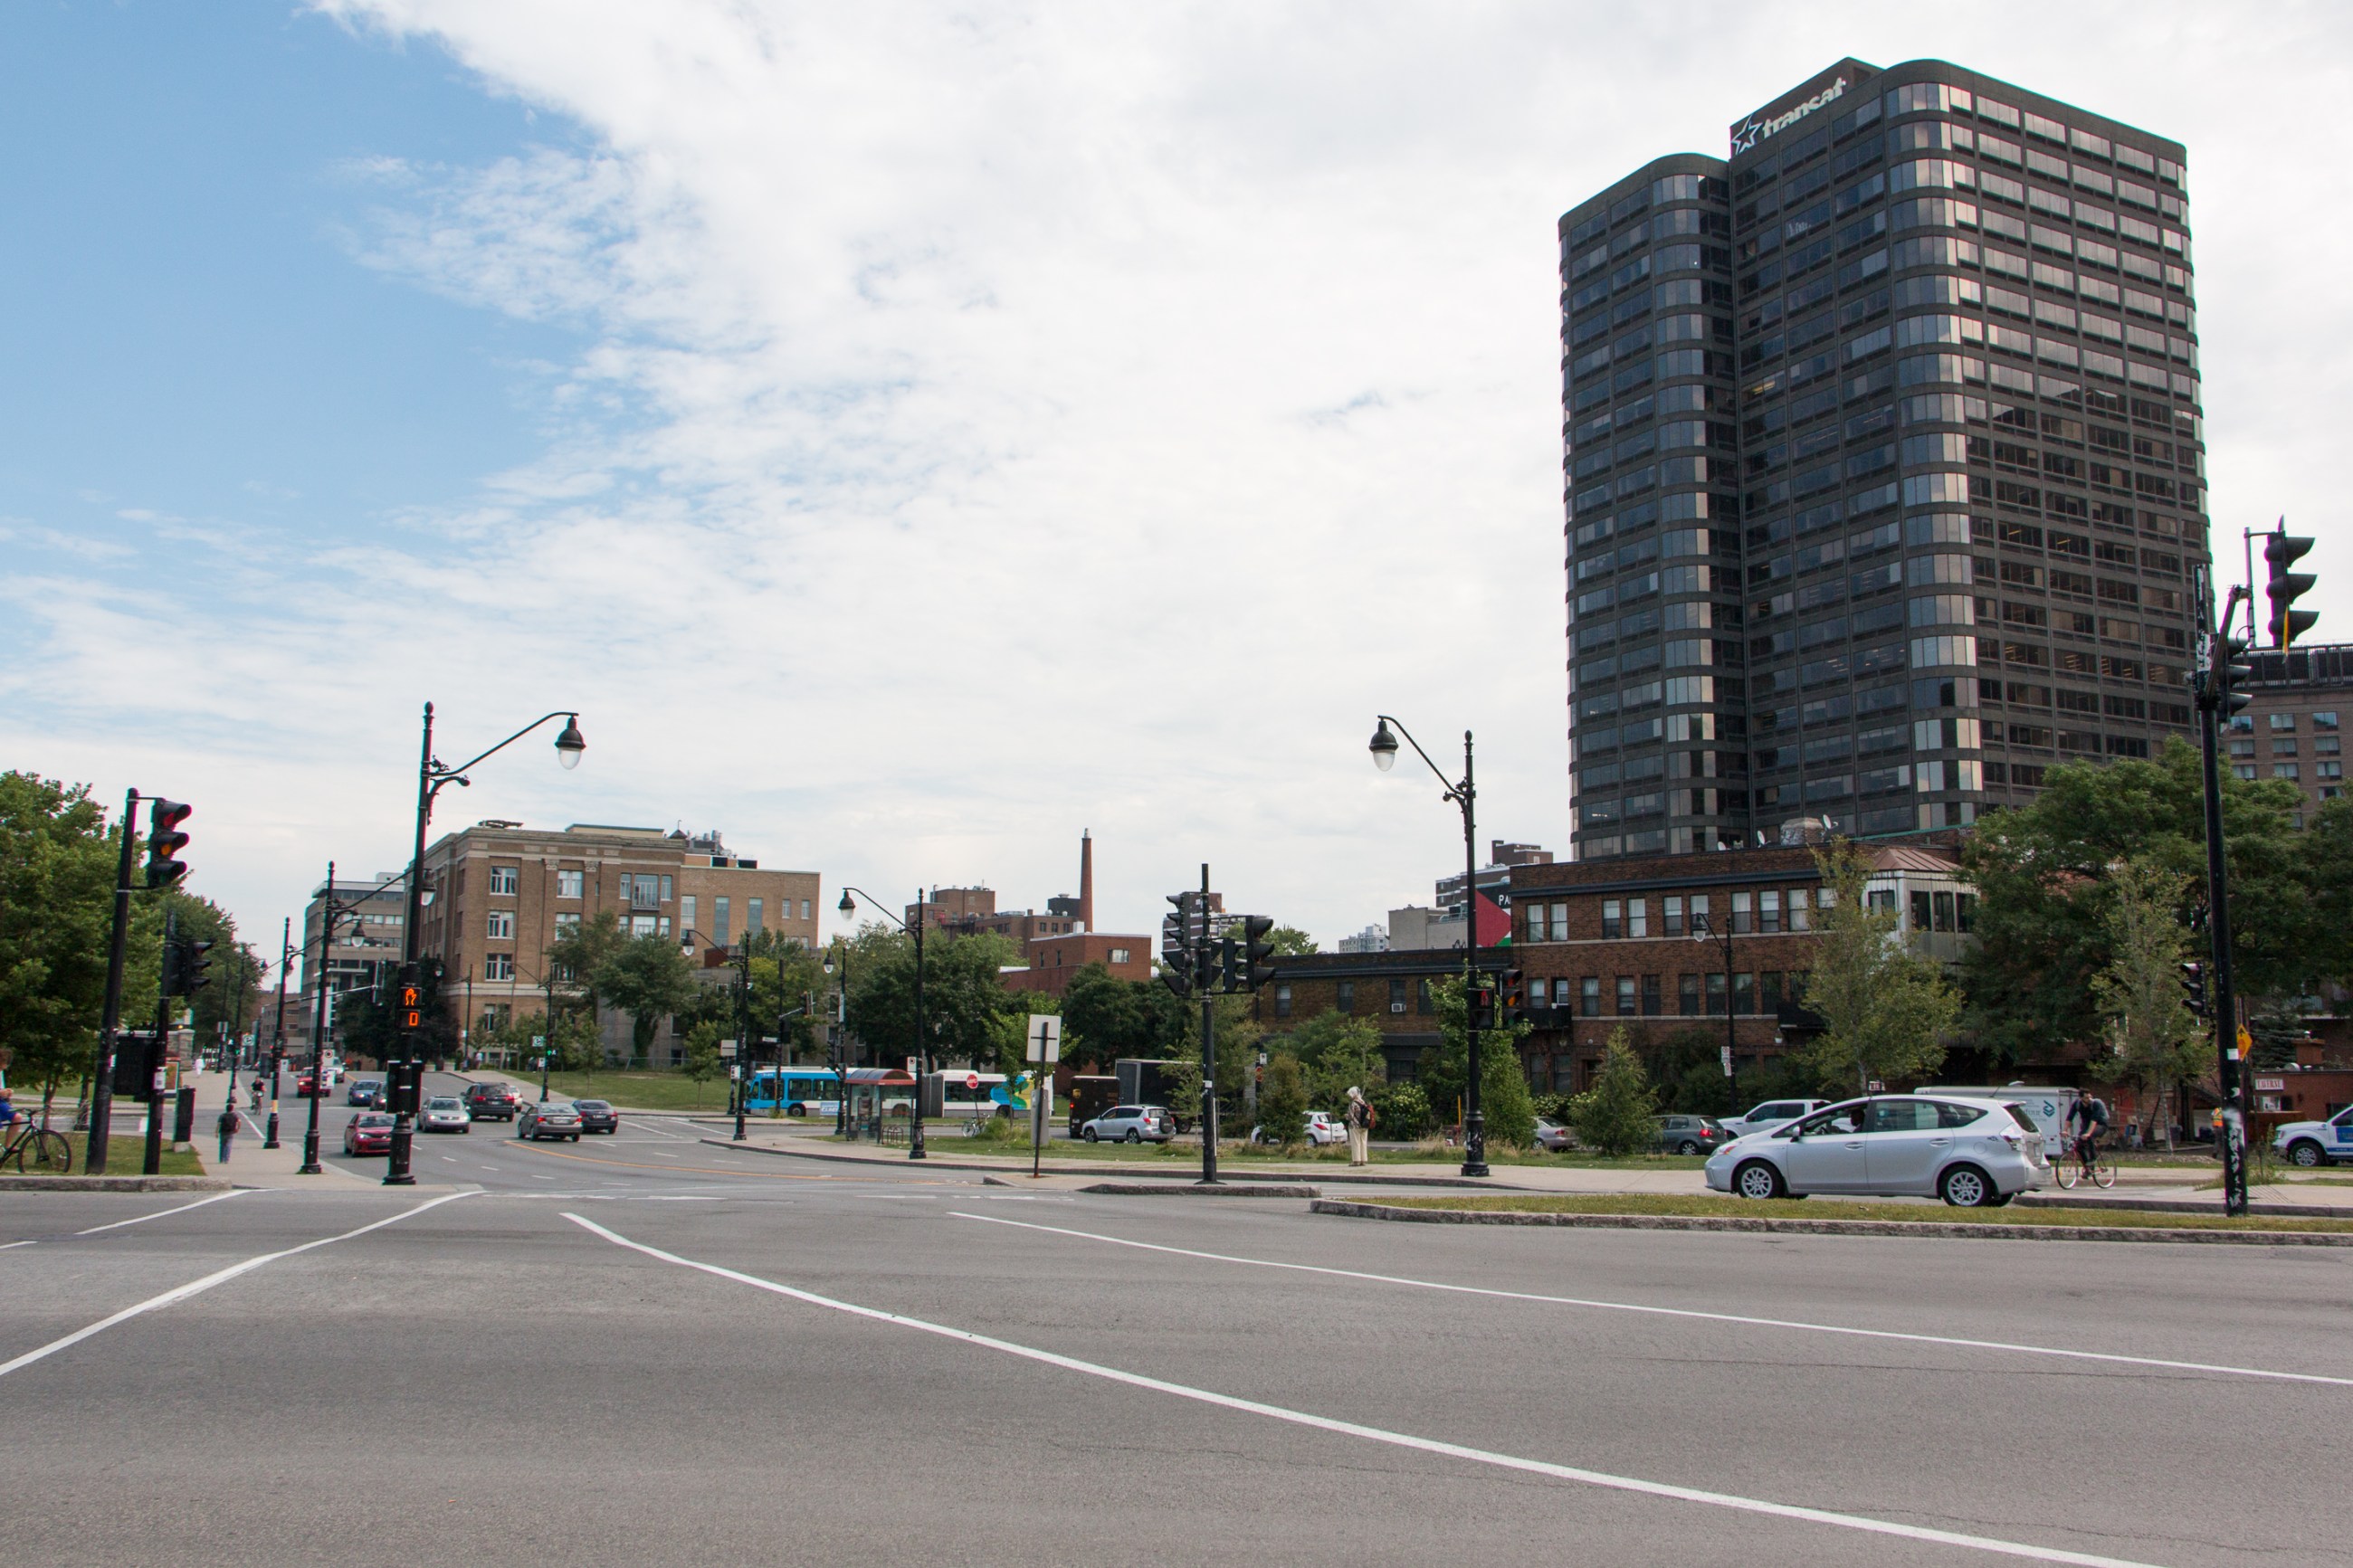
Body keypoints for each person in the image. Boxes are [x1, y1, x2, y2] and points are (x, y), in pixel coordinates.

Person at [2067, 1090, 2110, 1177]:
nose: (2089, 1099)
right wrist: (2065, 1130)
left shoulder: (2096, 1104)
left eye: (2090, 1097)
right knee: (2078, 1146)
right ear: (2081, 1098)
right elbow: (2069, 1118)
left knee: (2090, 1136)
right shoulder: (2077, 1104)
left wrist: (2088, 1133)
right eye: (2087, 1098)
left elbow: (2094, 1120)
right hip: (2087, 1126)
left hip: (2101, 1125)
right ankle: (2088, 1169)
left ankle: (2093, 1159)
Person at [1344, 1086, 1374, 1167]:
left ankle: (1356, 1160)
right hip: (1365, 1125)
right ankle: (1363, 1160)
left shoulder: (1353, 1103)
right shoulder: (1363, 1102)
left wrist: (1346, 1116)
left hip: (1355, 1126)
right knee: (1363, 1142)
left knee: (1356, 1142)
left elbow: (1351, 1116)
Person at [214, 1098, 239, 1166]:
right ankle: (226, 1159)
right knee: (228, 1145)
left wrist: (216, 1132)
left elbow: (218, 1124)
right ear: (232, 1109)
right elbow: (239, 1122)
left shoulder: (222, 1116)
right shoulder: (235, 1115)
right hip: (231, 1132)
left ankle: (221, 1159)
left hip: (223, 1132)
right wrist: (237, 1129)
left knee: (222, 1145)